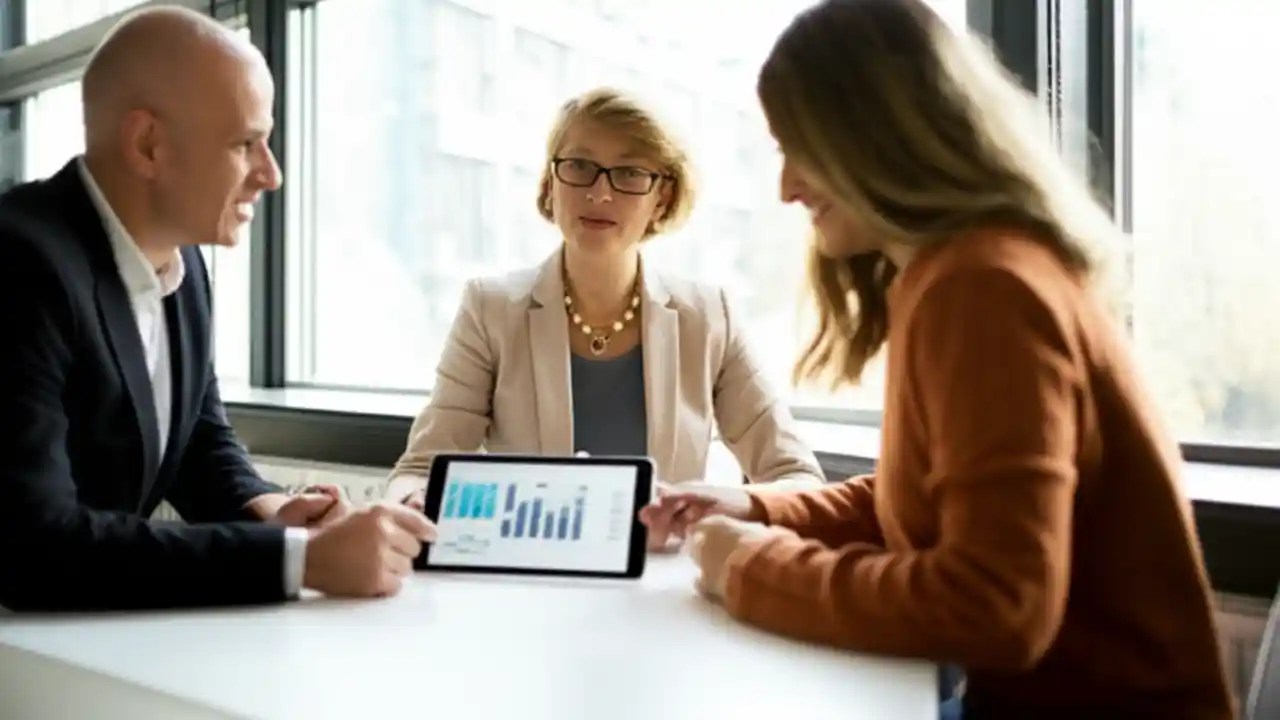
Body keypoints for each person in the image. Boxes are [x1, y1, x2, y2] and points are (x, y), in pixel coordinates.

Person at [641, 1, 1234, 717]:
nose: (787, 188)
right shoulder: (964, 272)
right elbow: (919, 503)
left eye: (800, 149)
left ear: (873, 139)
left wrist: (750, 566)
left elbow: (994, 605)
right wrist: (757, 507)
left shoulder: (984, 289)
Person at [0, 7, 433, 612]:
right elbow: (33, 548)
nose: (272, 174)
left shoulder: (184, 262)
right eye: (246, 143)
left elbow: (199, 444)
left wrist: (277, 513)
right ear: (149, 144)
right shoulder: (18, 263)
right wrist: (302, 562)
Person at [388, 87, 824, 548]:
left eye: (630, 173)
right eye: (579, 167)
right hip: (529, 579)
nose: (599, 192)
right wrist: (417, 502)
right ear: (549, 184)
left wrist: (727, 502)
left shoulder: (709, 315)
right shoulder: (490, 309)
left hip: (659, 591)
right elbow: (417, 471)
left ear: (661, 197)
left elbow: (796, 476)